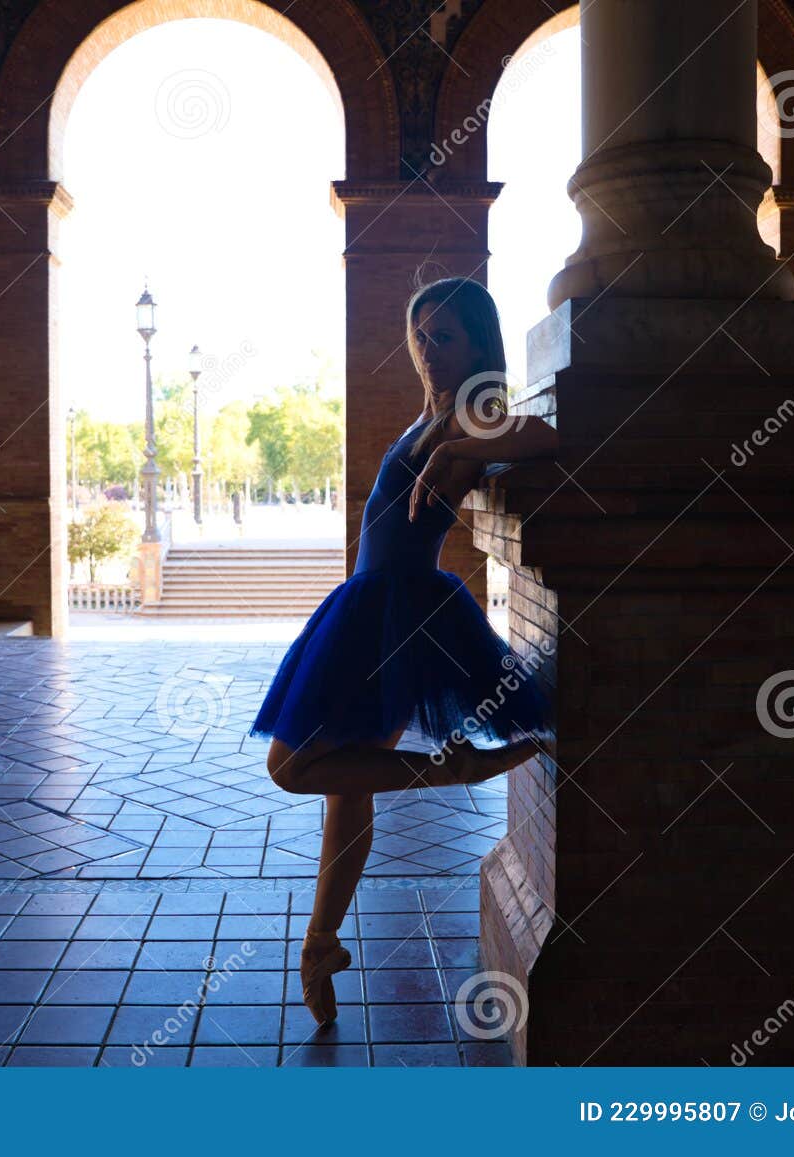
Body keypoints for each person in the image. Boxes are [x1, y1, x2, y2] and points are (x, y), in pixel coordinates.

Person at [249, 276, 559, 1027]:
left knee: (292, 764)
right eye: (419, 334)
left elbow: (545, 436)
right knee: (343, 790)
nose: (427, 349)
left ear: (477, 344)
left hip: (398, 614)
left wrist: (460, 445)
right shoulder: (432, 412)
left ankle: (461, 769)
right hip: (368, 607)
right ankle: (320, 945)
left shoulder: (470, 409)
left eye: (445, 335)